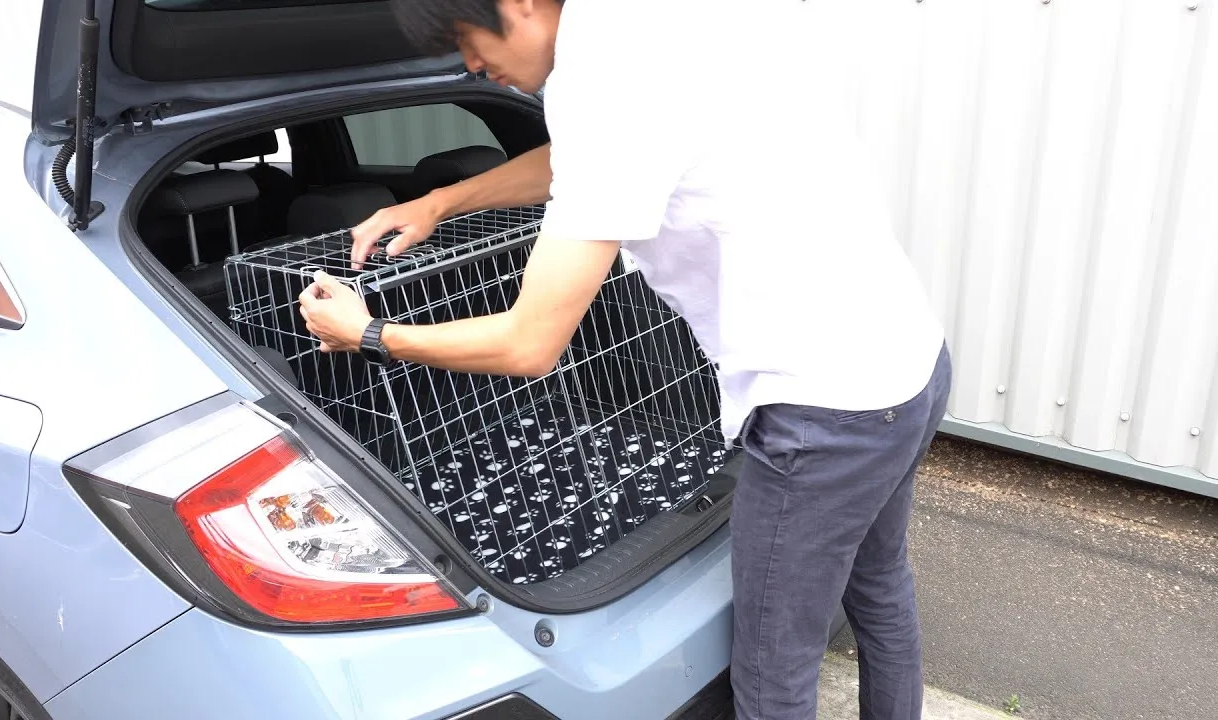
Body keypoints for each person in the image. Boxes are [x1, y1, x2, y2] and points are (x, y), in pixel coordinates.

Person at [297, 1, 952, 718]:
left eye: (465, 39)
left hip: (825, 413)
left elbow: (530, 343)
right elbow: (579, 159)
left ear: (518, 3)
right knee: (880, 589)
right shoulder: (644, 24)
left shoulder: (600, 78)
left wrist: (368, 332)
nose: (469, 67)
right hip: (908, 361)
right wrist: (442, 201)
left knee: (773, 675)